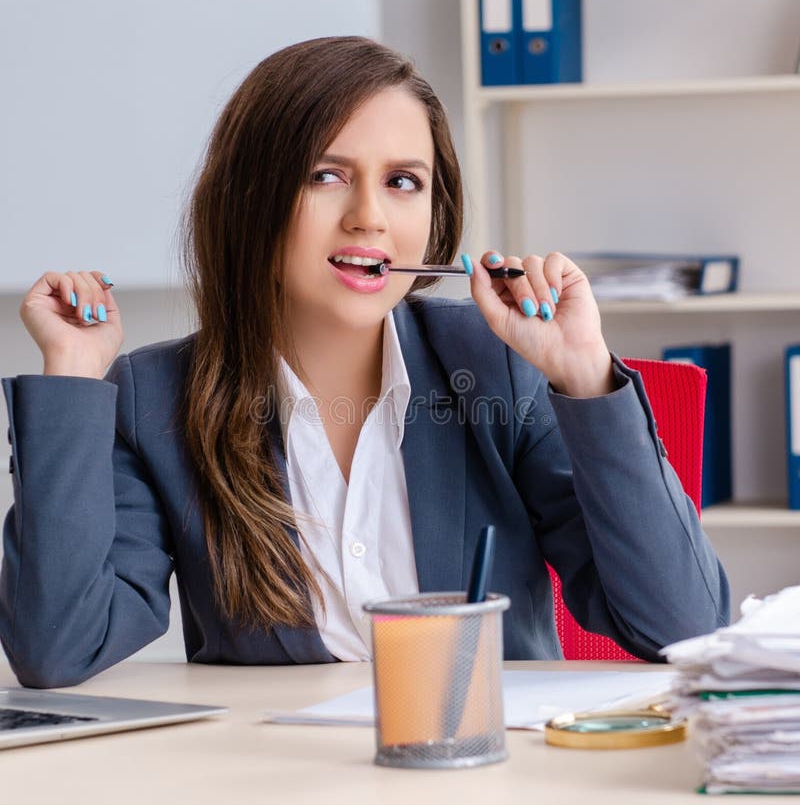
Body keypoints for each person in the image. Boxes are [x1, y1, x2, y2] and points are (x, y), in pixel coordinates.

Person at [1, 36, 728, 689]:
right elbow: (57, 649)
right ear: (248, 201)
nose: (369, 216)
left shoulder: (495, 367)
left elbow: (684, 627)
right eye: (327, 175)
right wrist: (71, 374)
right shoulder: (153, 396)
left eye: (403, 181)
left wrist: (583, 372)